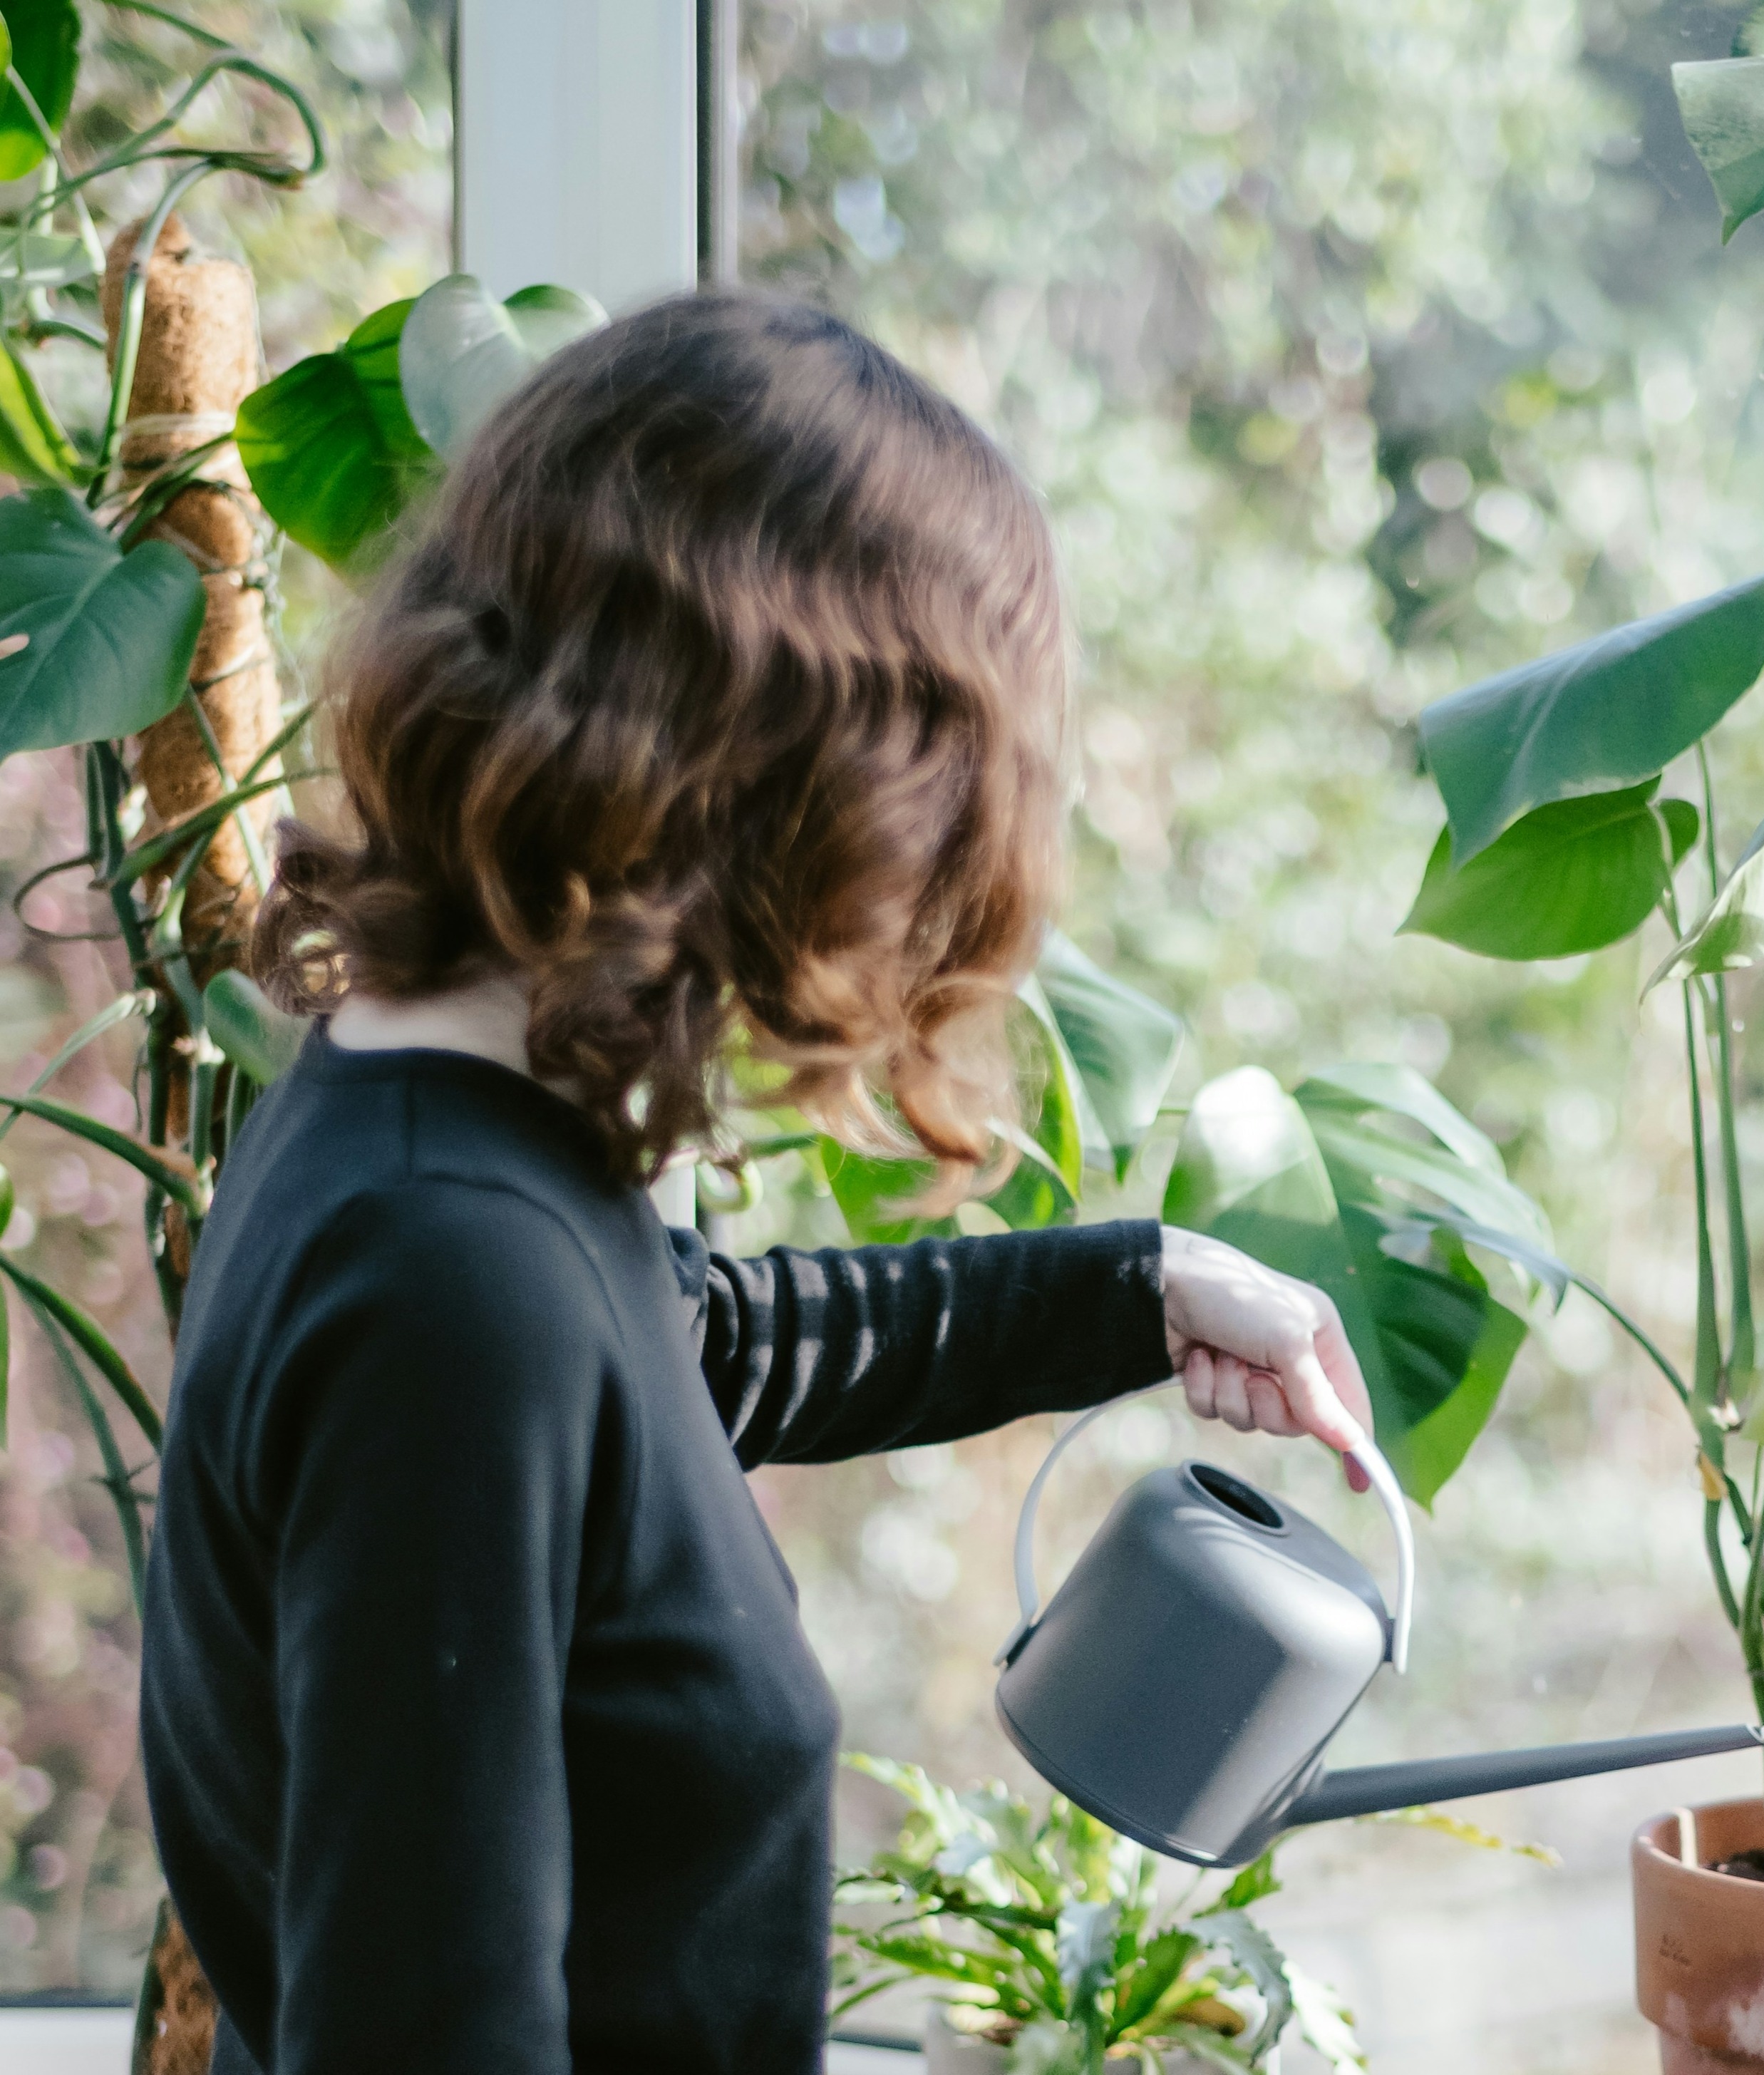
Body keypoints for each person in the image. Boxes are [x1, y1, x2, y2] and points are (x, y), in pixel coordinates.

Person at [137, 292, 1373, 2075]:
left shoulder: (436, 1117)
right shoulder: (449, 1282)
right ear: (800, 783)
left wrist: (1142, 1285)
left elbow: (683, 1352)